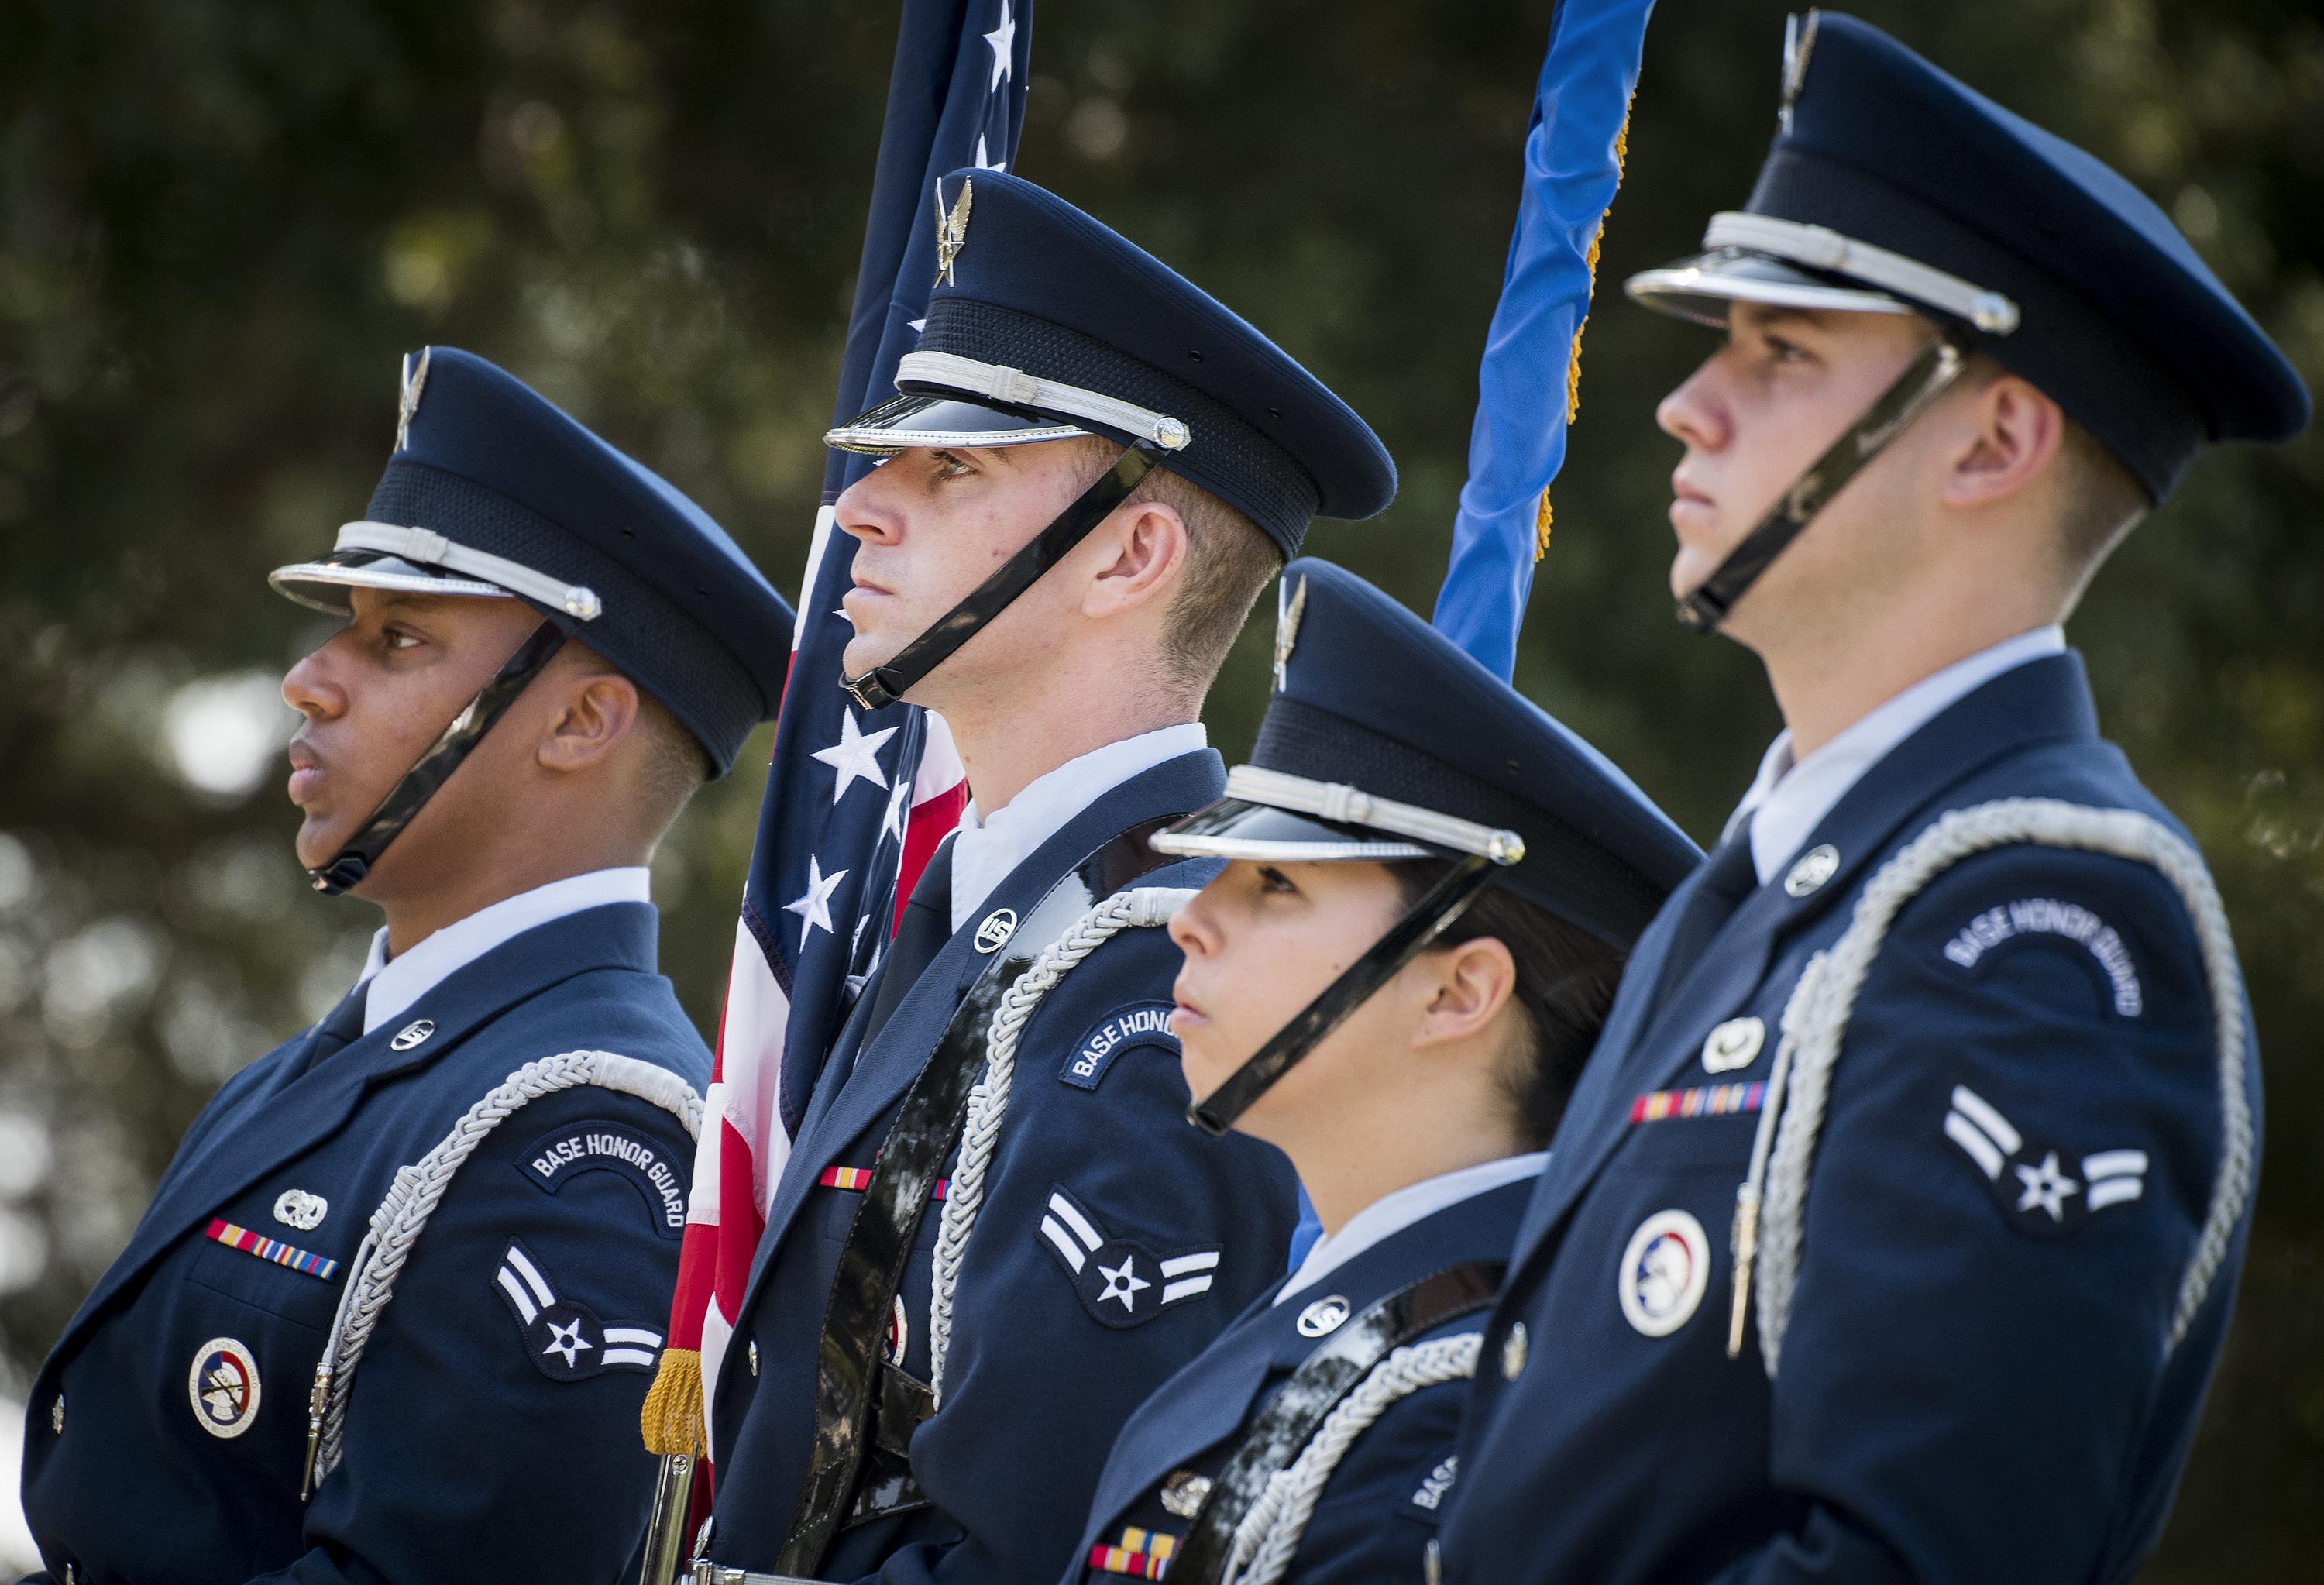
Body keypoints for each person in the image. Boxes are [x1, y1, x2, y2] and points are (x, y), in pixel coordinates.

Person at [1437, 12, 2310, 1584]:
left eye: (1778, 356)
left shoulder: (2041, 922)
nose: (1685, 407)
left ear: (1994, 439)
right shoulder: (1775, 885)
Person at [691, 170, 1397, 1585]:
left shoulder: (1170, 970)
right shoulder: (984, 916)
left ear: (1132, 552)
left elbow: (1029, 1546)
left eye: (949, 468)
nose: (862, 507)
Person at [18, 346, 795, 1583]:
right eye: (348, 629)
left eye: (397, 642)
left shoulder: (589, 1139)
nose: (309, 678)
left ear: (583, 721)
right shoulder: (343, 1064)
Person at [1060, 559, 1697, 1585]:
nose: (1192, 916)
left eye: (1273, 883)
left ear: (1458, 993)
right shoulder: (1360, 1308)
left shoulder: (1460, 1406)